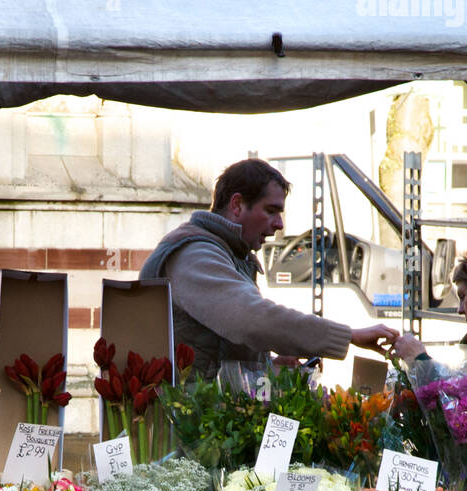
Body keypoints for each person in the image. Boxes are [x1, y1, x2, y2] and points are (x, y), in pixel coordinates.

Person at [140, 158, 397, 379]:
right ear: (237, 205)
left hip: (204, 423)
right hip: (183, 428)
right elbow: (251, 319)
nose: (278, 224)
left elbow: (217, 353)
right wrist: (348, 335)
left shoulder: (231, 253)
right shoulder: (194, 253)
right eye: (271, 211)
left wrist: (266, 367)